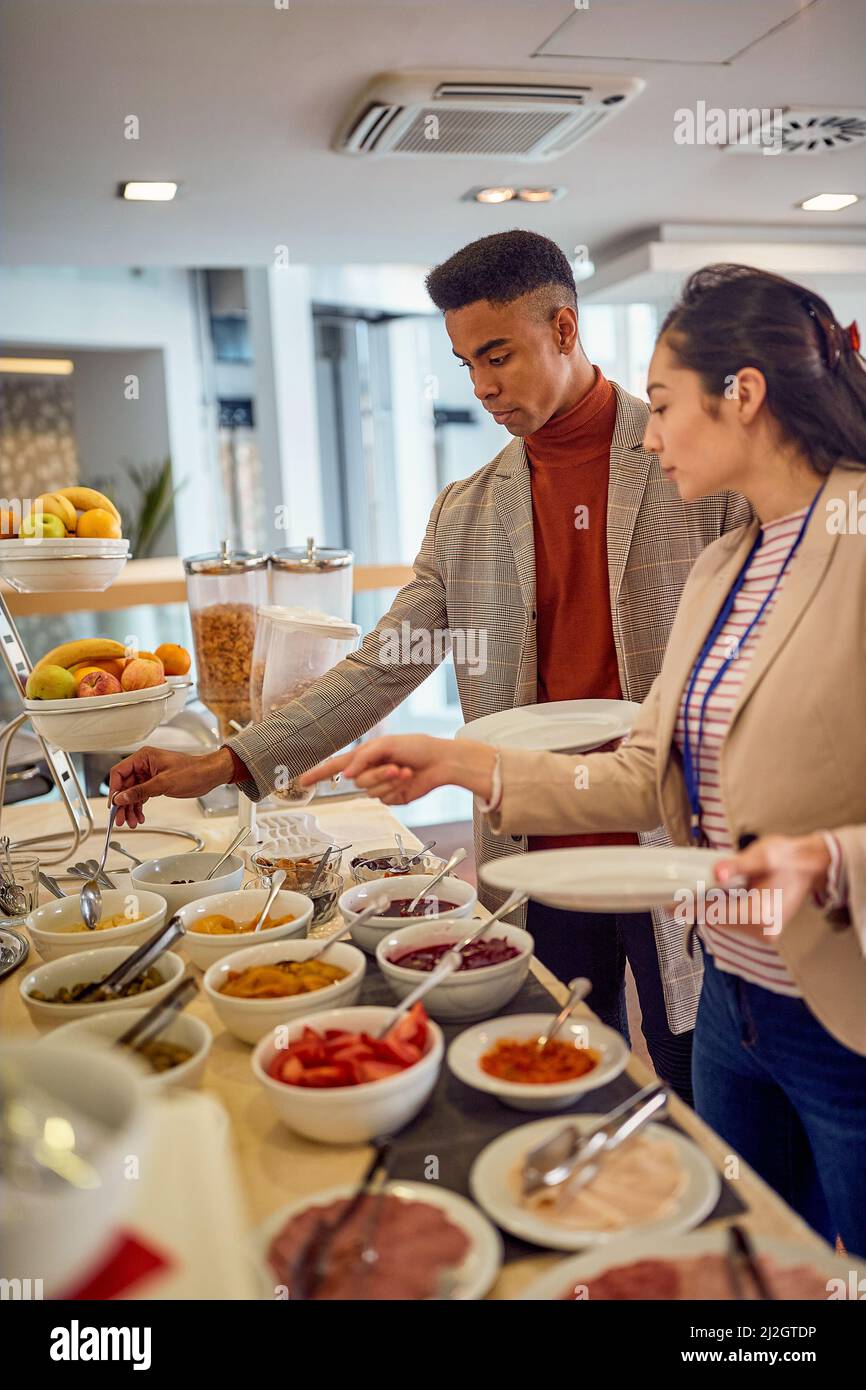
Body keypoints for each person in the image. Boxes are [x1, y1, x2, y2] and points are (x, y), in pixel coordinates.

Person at [299, 265, 866, 1255]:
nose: (648, 436)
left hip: (840, 1010)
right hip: (735, 1006)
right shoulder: (720, 569)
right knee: (745, 1259)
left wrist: (827, 860)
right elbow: (639, 768)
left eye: (662, 406)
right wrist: (459, 763)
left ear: (741, 394)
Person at [110, 230, 749, 1103]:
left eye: (499, 356)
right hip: (533, 838)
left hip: (670, 834)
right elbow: (381, 665)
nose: (482, 387)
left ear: (564, 329)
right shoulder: (468, 509)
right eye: (464, 363)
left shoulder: (692, 465)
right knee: (555, 1063)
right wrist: (229, 762)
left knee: (690, 1071)